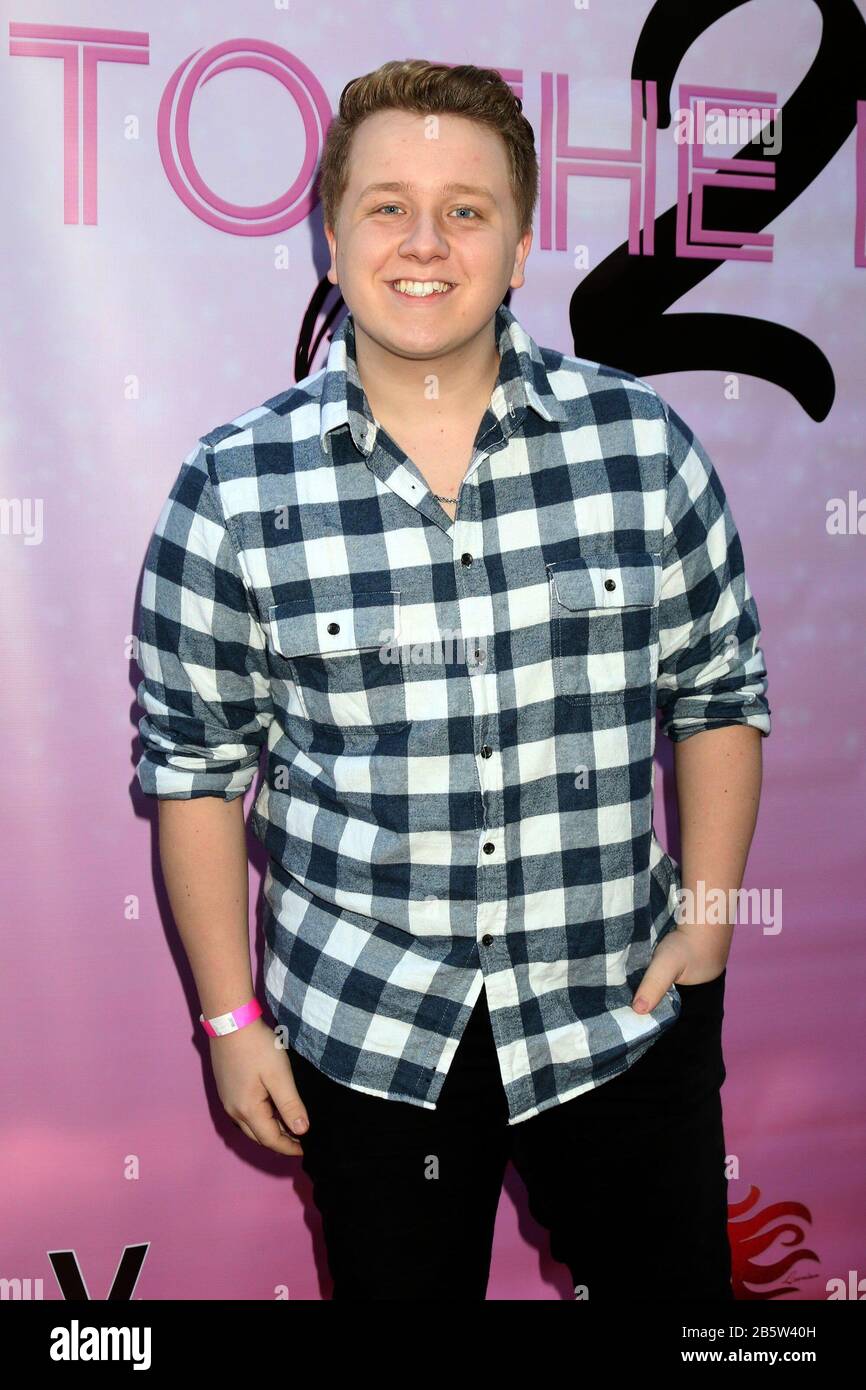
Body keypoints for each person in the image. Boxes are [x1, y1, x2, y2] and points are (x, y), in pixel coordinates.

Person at [134, 59, 771, 1301]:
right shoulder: (231, 486)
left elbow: (715, 691)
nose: (424, 243)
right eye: (386, 206)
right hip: (367, 1036)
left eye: (466, 210)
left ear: (521, 244)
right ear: (330, 238)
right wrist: (227, 1021)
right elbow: (196, 773)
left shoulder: (640, 446)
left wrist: (705, 928)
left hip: (616, 1019)